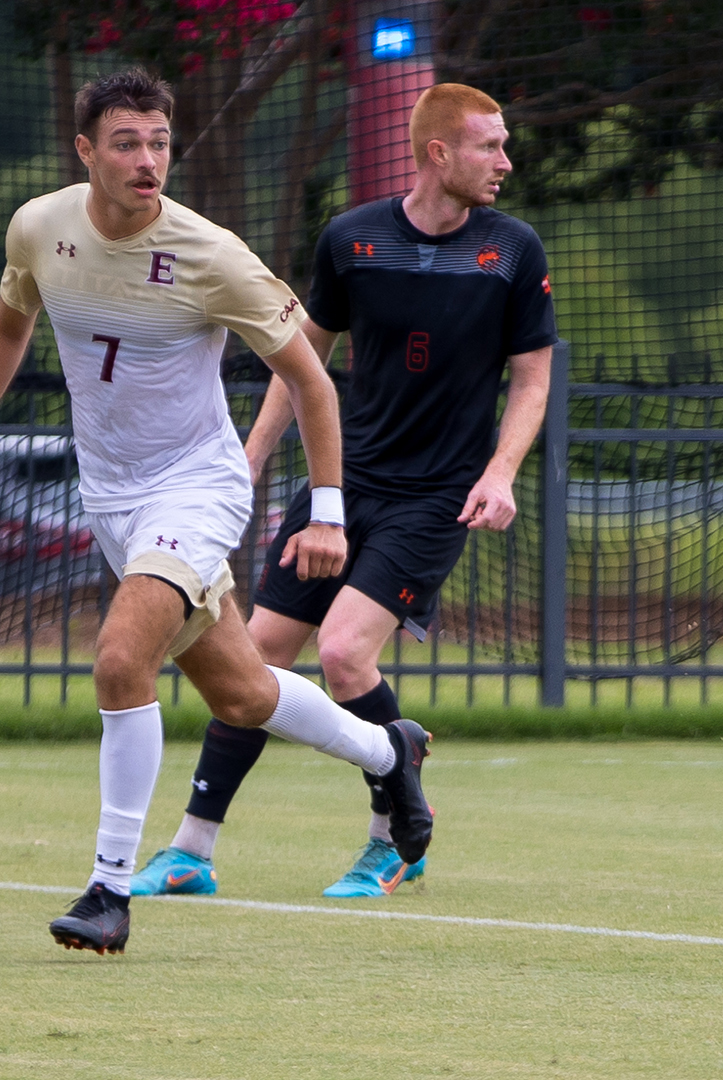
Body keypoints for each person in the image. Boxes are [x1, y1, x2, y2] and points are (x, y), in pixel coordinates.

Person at [0, 69, 434, 955]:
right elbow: (10, 324)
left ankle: (109, 891)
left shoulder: (212, 253)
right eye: (126, 142)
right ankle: (394, 757)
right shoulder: (40, 229)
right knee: (244, 692)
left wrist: (329, 512)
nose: (148, 159)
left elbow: (310, 377)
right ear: (86, 151)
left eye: (159, 141)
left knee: (122, 659)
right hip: (112, 497)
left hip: (198, 485)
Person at [132, 83, 557, 900]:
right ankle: (191, 849)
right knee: (252, 663)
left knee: (344, 653)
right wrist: (247, 462)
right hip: (344, 483)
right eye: (489, 146)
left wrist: (500, 472)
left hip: (437, 496)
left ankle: (393, 836)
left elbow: (533, 381)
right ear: (439, 153)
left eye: (504, 145)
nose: (505, 161)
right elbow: (301, 366)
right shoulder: (352, 240)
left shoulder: (513, 250)